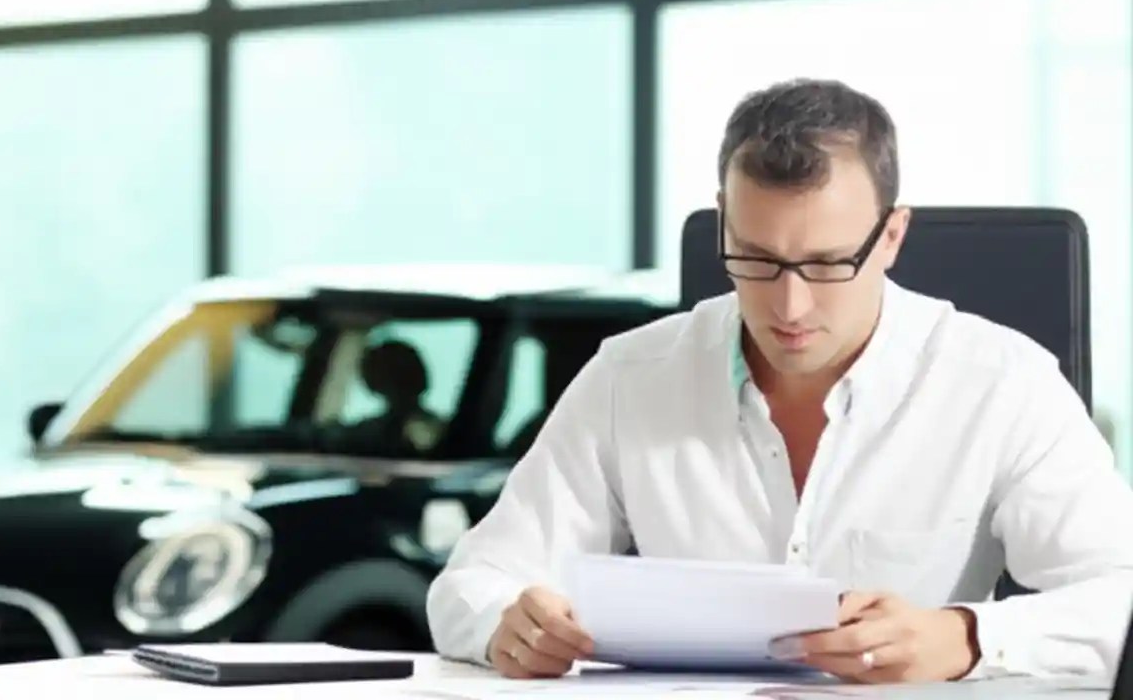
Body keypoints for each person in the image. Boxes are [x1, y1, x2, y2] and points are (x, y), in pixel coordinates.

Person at [426, 78, 1133, 684]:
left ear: (891, 236)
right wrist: (508, 624)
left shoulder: (1002, 384)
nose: (789, 308)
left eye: (826, 264)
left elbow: (1119, 596)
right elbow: (470, 584)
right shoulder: (629, 376)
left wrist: (968, 637)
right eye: (755, 259)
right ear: (723, 224)